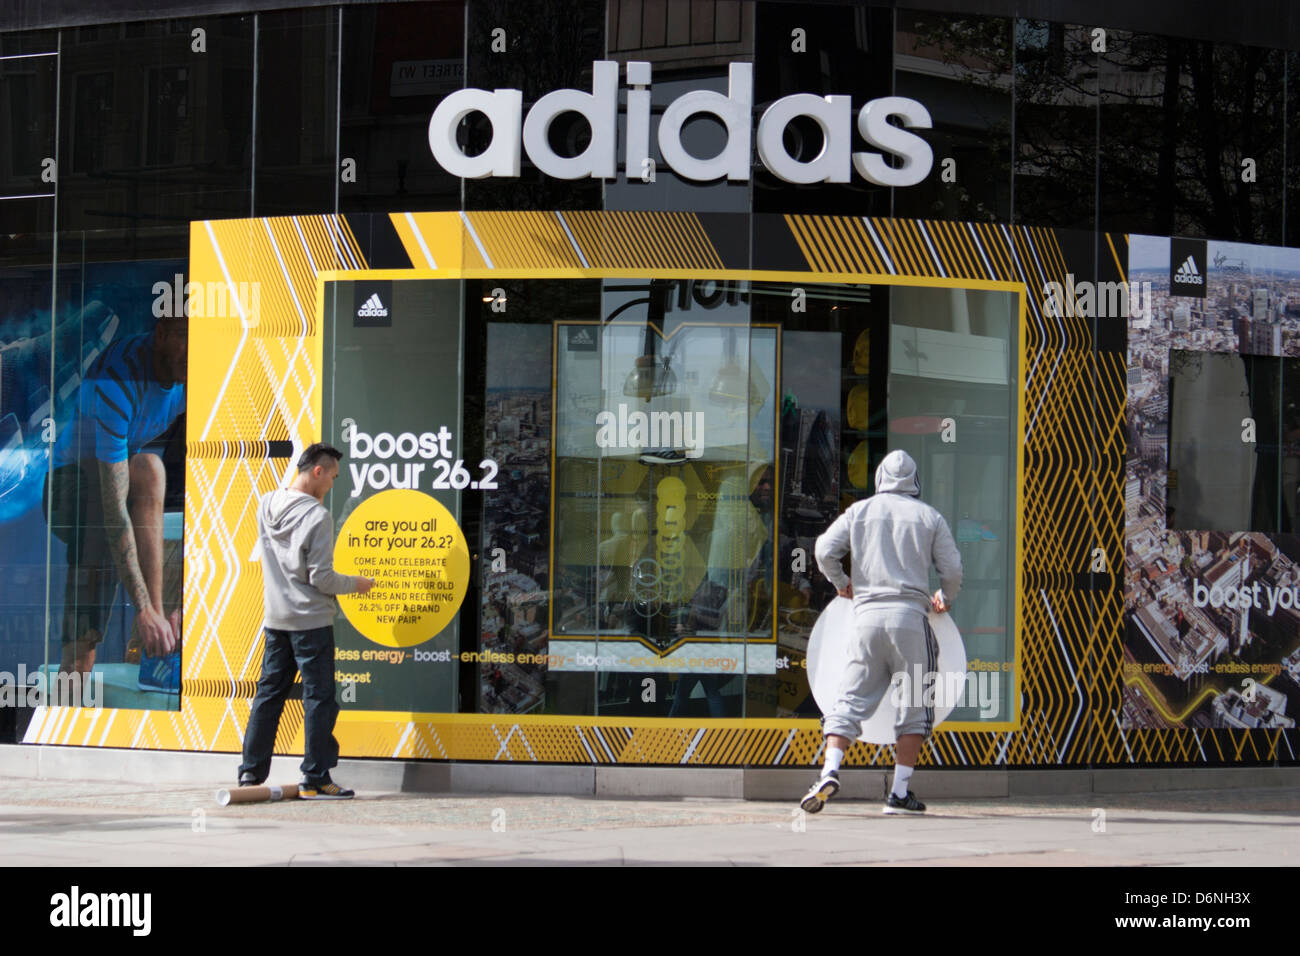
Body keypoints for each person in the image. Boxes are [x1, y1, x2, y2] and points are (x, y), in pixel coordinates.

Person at [801, 449, 962, 815]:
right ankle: (899, 793)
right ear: (914, 482)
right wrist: (945, 598)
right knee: (915, 707)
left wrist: (842, 583)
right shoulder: (929, 517)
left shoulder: (859, 512)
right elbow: (952, 570)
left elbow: (824, 549)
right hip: (909, 619)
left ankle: (829, 771)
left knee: (850, 698)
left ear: (879, 479)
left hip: (866, 619)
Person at [46, 315, 187, 693]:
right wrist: (141, 609)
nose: (191, 352)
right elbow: (114, 512)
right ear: (161, 334)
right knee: (101, 525)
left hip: (121, 480)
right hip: (69, 487)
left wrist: (171, 609)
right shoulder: (118, 380)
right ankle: (76, 668)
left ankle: (156, 641)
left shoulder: (195, 376)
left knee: (151, 468)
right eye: (183, 338)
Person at [238, 442, 374, 799]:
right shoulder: (317, 516)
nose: (332, 484)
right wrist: (357, 584)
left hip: (275, 618)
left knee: (269, 695)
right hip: (311, 622)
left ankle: (251, 774)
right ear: (318, 471)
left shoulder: (266, 503)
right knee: (319, 699)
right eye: (332, 476)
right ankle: (315, 777)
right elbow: (322, 578)